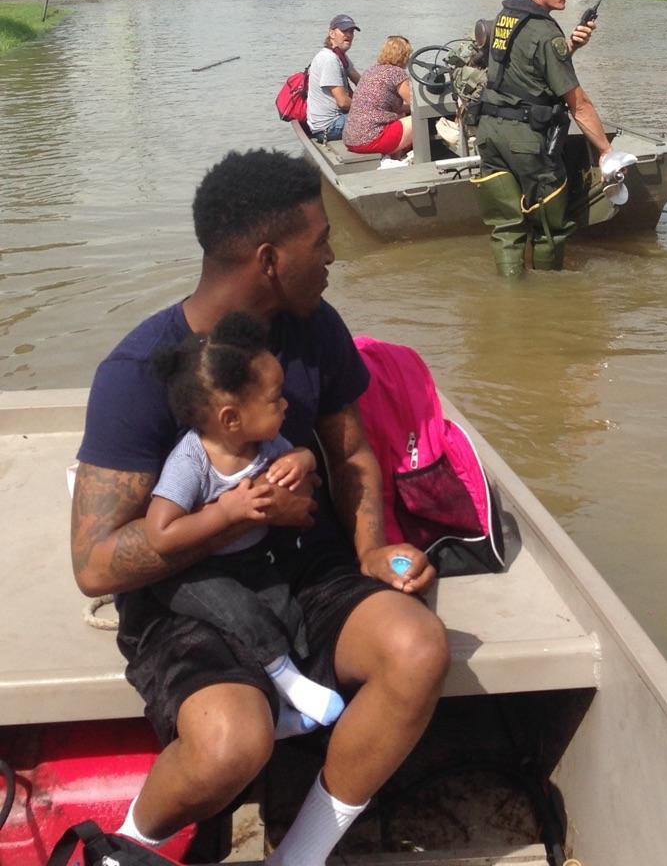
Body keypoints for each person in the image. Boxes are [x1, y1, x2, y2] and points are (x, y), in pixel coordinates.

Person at [71, 148, 450, 859]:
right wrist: (233, 517)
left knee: (418, 647)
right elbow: (95, 564)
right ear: (270, 261)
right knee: (229, 745)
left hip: (308, 572)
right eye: (321, 241)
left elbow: (351, 454)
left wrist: (371, 548)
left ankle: (301, 854)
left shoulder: (315, 327)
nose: (333, 256)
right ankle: (126, 843)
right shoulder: (138, 373)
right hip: (190, 599)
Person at [145, 310, 343, 737]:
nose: (286, 404)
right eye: (275, 399)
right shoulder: (191, 461)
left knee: (285, 613)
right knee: (242, 612)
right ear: (231, 418)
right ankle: (290, 684)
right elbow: (159, 534)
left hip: (253, 561)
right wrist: (226, 512)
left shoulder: (267, 444)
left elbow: (303, 465)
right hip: (196, 573)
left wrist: (304, 458)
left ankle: (281, 709)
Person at [474, 0, 614, 274]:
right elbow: (578, 104)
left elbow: (525, 71)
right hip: (526, 139)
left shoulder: (505, 17)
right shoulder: (546, 32)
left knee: (506, 226)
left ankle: (509, 293)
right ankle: (549, 296)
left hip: (490, 132)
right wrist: (606, 151)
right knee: (549, 227)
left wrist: (571, 47)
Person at [342, 35, 413, 158]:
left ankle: (395, 161)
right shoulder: (397, 73)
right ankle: (423, 159)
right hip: (370, 140)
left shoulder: (371, 70)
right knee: (418, 121)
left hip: (351, 140)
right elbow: (415, 104)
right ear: (404, 55)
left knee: (399, 115)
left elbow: (393, 108)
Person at [306, 14, 362, 142]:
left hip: (336, 120)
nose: (348, 35)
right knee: (385, 116)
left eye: (351, 32)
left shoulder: (339, 56)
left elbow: (362, 82)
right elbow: (343, 102)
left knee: (384, 111)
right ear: (331, 33)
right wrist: (372, 107)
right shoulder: (329, 59)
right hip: (329, 127)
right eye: (344, 31)